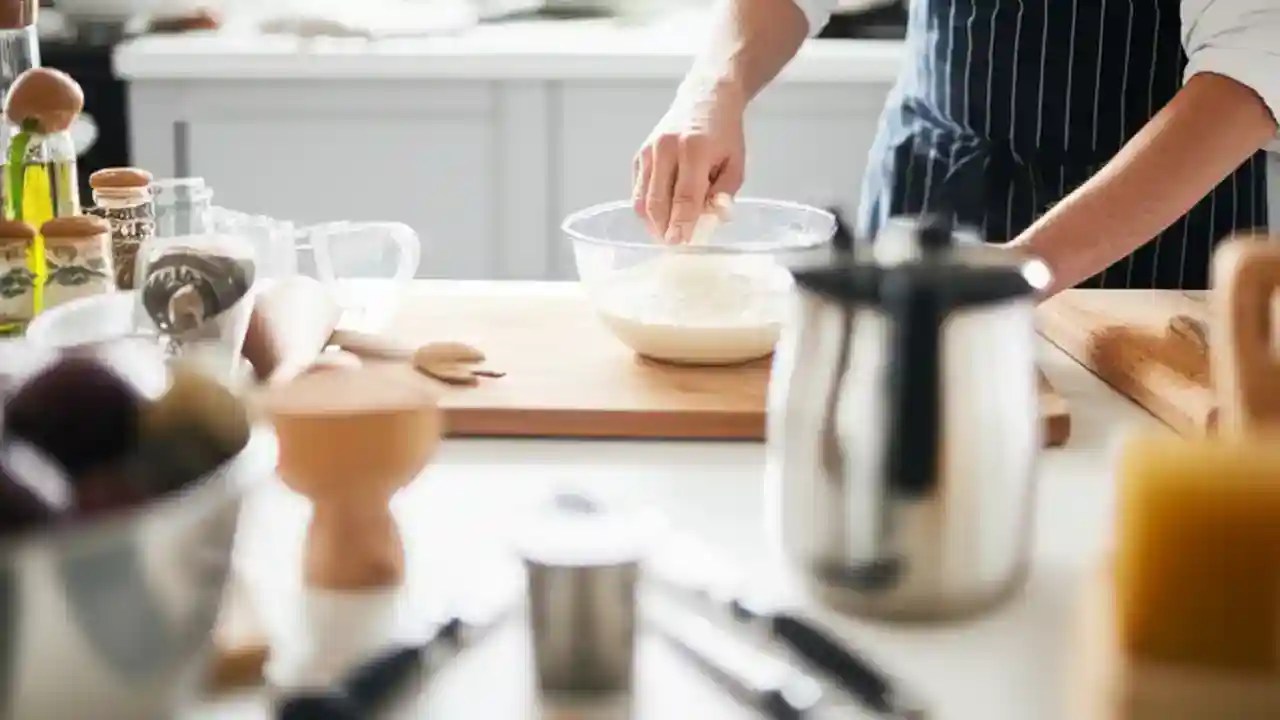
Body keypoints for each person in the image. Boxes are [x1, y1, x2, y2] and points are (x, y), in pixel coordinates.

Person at [632, 0, 1279, 293]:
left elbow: (1249, 69)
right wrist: (711, 92)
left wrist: (1029, 263)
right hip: (930, 185)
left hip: (1148, 246)